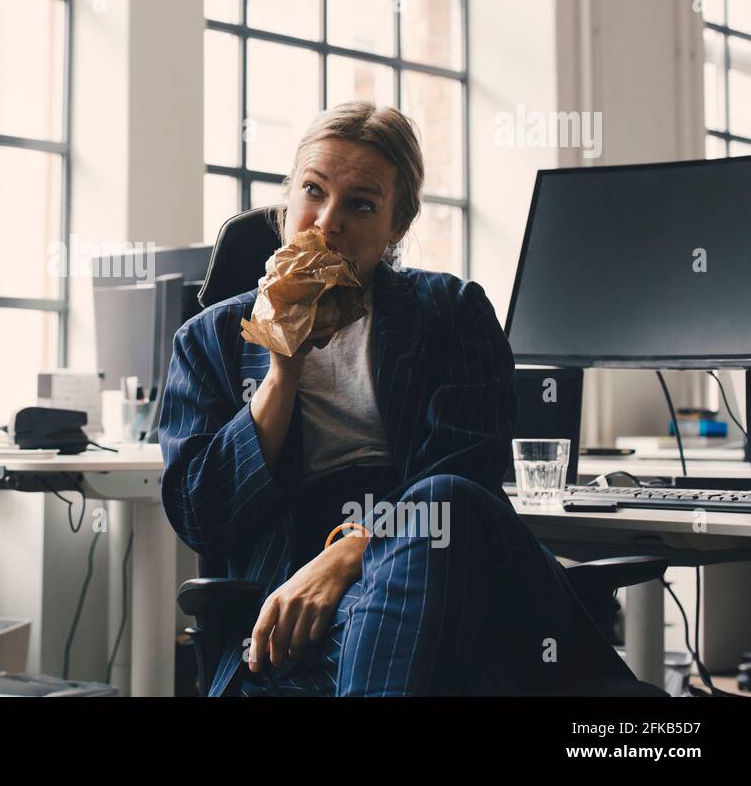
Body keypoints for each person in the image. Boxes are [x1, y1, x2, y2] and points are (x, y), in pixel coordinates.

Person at [159, 101, 641, 697]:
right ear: (286, 199)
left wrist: (350, 549)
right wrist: (282, 373)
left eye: (361, 204)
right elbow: (203, 519)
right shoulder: (208, 340)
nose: (326, 222)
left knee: (443, 503)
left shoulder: (451, 313)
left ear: (397, 226)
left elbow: (467, 474)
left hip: (439, 569)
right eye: (312, 191)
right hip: (289, 615)